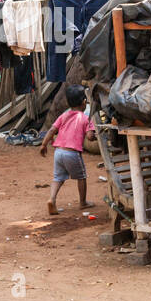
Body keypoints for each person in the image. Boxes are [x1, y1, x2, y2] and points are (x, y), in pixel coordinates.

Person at [39, 84, 96, 215]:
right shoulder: (85, 118)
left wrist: (43, 144)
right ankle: (83, 203)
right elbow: (90, 136)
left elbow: (52, 130)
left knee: (58, 178)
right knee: (81, 177)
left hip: (58, 152)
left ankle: (52, 199)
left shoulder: (64, 115)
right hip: (72, 153)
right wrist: (93, 135)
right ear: (84, 102)